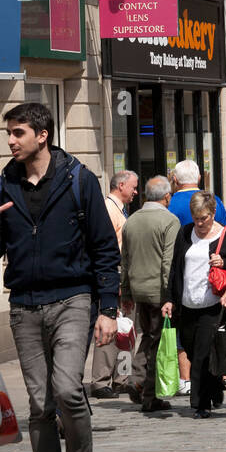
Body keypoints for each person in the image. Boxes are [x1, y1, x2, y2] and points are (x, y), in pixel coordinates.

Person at [0, 103, 119, 452]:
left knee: (68, 389)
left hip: (73, 297)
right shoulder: (4, 185)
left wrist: (107, 308)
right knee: (39, 404)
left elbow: (105, 248)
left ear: (43, 135)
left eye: (18, 132)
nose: (10, 141)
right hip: (24, 306)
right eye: (8, 133)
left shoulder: (78, 180)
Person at [165, 191, 226, 417]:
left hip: (214, 305)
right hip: (187, 304)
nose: (200, 223)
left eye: (204, 218)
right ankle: (215, 387)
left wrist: (225, 261)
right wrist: (169, 299)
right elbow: (174, 269)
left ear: (213, 214)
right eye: (196, 218)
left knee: (203, 354)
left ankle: (200, 404)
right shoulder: (185, 232)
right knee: (192, 352)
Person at [115, 177, 181, 413]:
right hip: (158, 291)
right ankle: (146, 391)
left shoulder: (131, 221)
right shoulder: (169, 221)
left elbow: (125, 258)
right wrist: (168, 296)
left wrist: (126, 290)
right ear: (166, 197)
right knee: (156, 342)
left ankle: (138, 380)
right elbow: (168, 261)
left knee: (149, 337)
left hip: (139, 289)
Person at [91, 170, 139, 399]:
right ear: (121, 185)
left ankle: (121, 378)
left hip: (123, 275)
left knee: (125, 328)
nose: (135, 191)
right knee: (110, 327)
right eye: (133, 187)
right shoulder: (109, 210)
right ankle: (101, 381)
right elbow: (105, 250)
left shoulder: (120, 210)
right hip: (114, 276)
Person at [167, 159, 226, 228]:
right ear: (199, 178)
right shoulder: (214, 200)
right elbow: (225, 230)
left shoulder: (169, 203)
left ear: (175, 179)